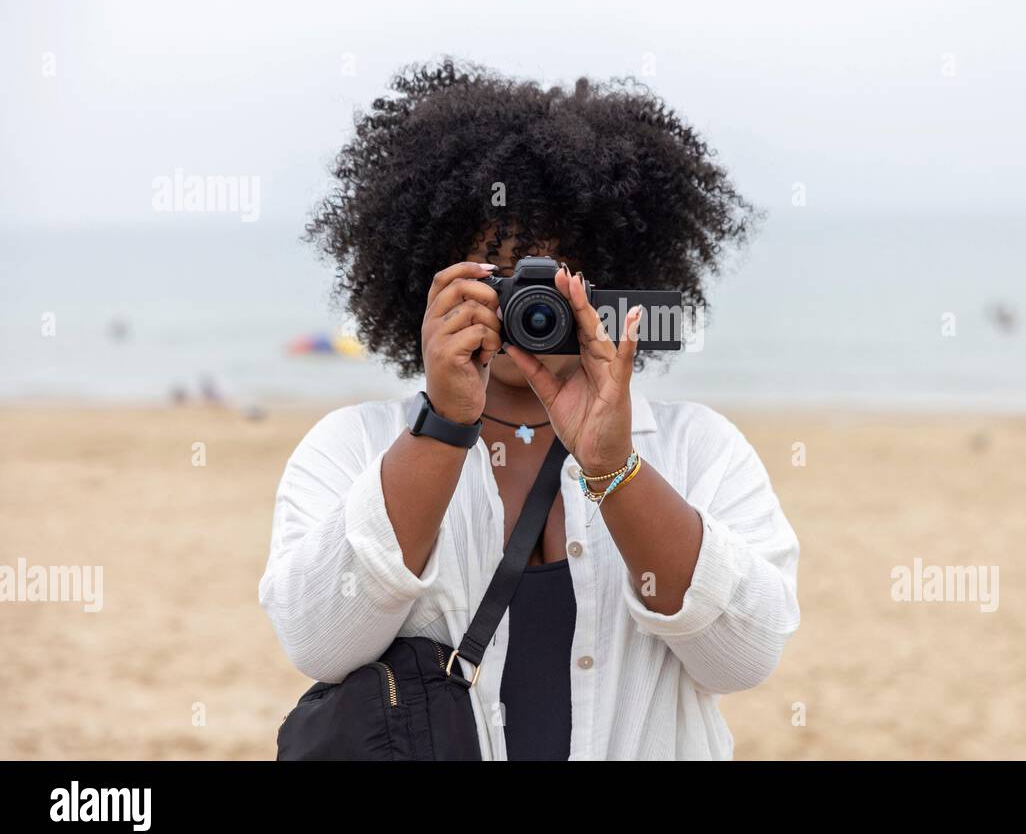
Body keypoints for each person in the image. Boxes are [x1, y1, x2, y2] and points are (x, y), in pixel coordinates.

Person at [258, 59, 801, 760]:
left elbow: (746, 655)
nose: (529, 303)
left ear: (609, 283)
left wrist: (615, 467)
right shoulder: (352, 447)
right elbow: (317, 638)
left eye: (555, 276)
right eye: (498, 273)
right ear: (429, 278)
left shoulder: (699, 450)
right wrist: (444, 422)